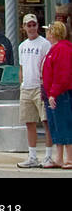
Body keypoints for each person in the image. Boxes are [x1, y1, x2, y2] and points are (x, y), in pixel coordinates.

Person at [16, 14, 53, 169]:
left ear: (37, 26)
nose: (31, 28)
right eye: (28, 25)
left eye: (33, 25)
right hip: (27, 87)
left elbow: (49, 66)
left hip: (40, 86)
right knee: (29, 122)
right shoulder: (22, 46)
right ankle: (32, 156)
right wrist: (22, 83)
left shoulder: (44, 44)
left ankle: (49, 156)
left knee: (46, 122)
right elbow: (22, 67)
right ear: (23, 27)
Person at [41, 21, 72, 169]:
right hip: (52, 93)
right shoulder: (54, 49)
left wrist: (53, 93)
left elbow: (62, 74)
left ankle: (69, 158)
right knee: (56, 126)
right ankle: (59, 157)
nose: (47, 34)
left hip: (60, 94)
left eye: (49, 31)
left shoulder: (62, 49)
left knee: (64, 124)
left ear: (53, 33)